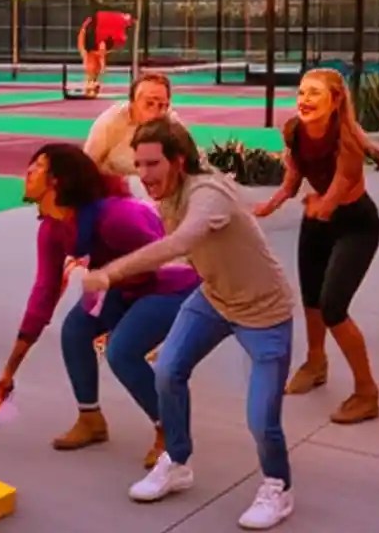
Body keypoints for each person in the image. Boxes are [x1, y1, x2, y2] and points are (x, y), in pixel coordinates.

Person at [85, 118, 297, 530]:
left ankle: (278, 486)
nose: (144, 175)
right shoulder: (170, 192)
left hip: (265, 311)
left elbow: (179, 245)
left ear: (179, 161)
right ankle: (178, 462)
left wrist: (110, 273)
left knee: (260, 419)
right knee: (167, 372)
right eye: (139, 165)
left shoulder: (208, 193)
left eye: (152, 165)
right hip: (214, 298)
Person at [0, 143, 201, 470]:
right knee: (75, 331)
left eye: (38, 166)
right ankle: (91, 419)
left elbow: (171, 258)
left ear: (57, 180)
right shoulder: (52, 229)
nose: (28, 171)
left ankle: (170, 432)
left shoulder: (118, 216)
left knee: (121, 350)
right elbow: (43, 295)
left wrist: (120, 300)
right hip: (122, 284)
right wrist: (9, 371)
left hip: (172, 284)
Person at [255, 68, 379, 425]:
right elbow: (293, 179)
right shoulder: (294, 131)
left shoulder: (347, 143)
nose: (304, 100)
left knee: (333, 307)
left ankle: (367, 392)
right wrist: (268, 205)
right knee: (311, 300)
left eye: (314, 93)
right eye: (301, 93)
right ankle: (315, 362)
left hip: (355, 225)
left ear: (335, 100)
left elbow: (332, 200)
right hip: (317, 223)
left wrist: (316, 206)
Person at [84, 71, 178, 197]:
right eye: (149, 104)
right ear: (132, 103)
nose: (156, 111)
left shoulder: (171, 122)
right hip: (112, 193)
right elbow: (85, 167)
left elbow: (189, 163)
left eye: (162, 105)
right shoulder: (109, 123)